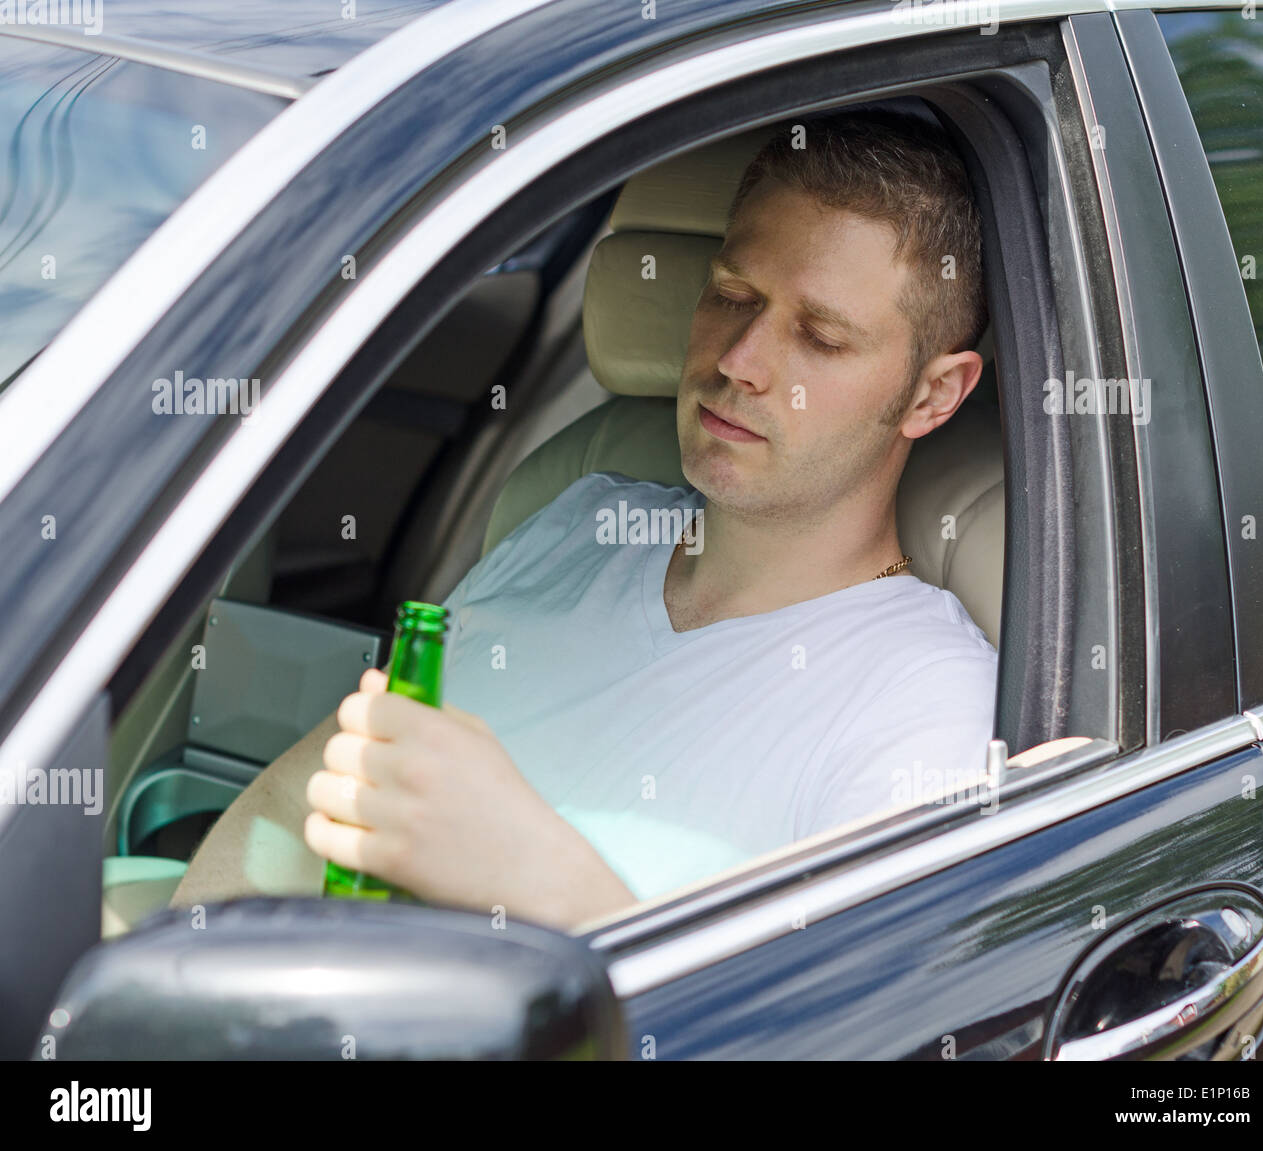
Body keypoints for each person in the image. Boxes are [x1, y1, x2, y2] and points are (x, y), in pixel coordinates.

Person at [168, 110, 997, 930]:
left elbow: (838, 1031)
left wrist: (538, 876)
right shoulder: (578, 519)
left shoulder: (923, 699)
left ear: (932, 394)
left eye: (819, 337)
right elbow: (301, 803)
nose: (739, 360)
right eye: (730, 295)